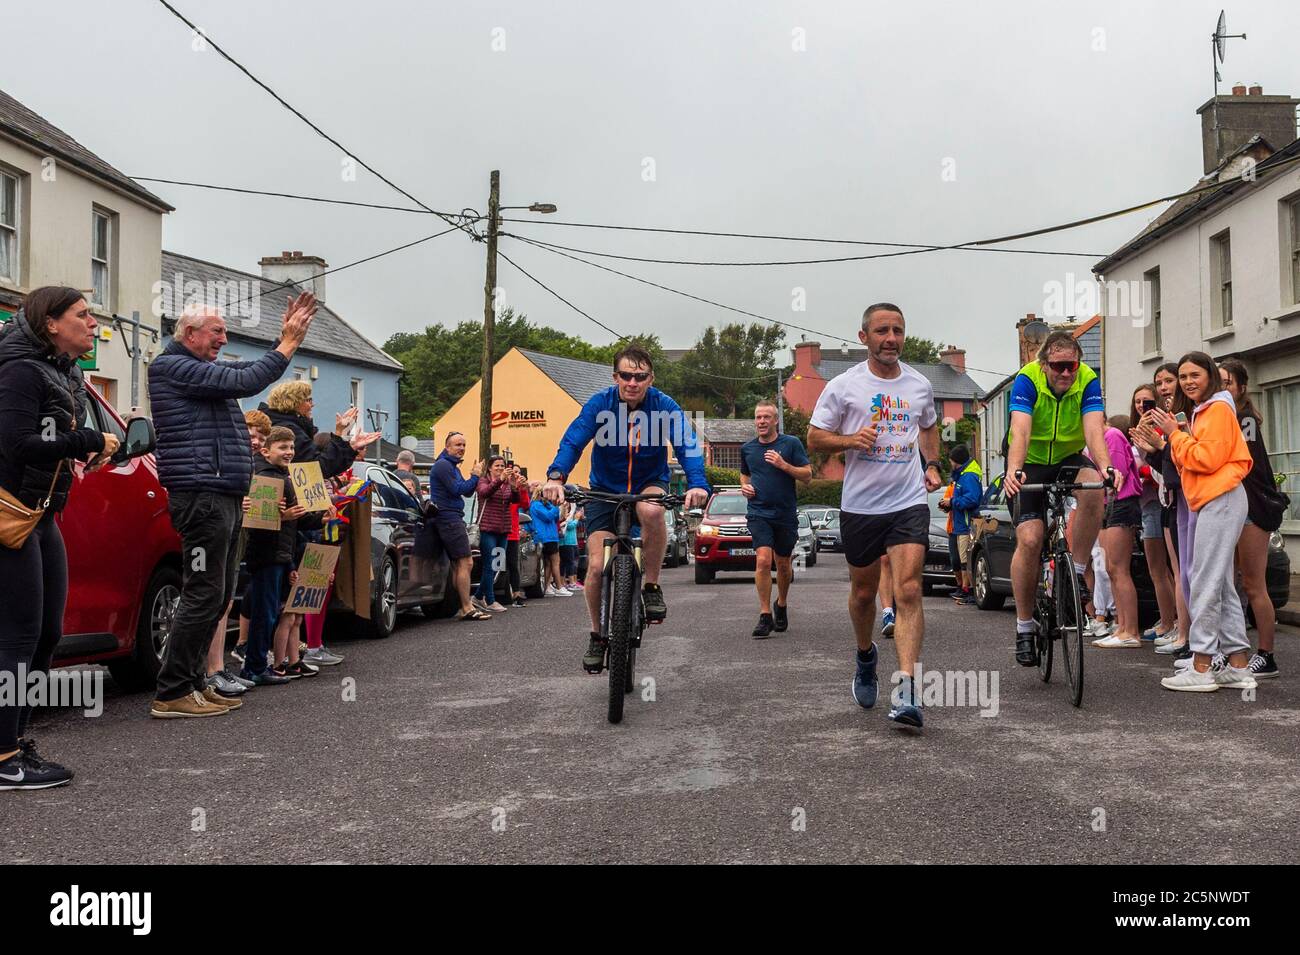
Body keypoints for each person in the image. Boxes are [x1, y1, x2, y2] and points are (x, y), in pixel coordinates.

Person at [147, 294, 316, 718]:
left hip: (217, 494)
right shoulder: (172, 367)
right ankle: (172, 692)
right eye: (217, 331)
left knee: (218, 593)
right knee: (204, 592)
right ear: (190, 333)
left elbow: (244, 373)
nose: (224, 338)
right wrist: (288, 344)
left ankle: (193, 683)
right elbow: (248, 380)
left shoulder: (199, 371)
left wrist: (282, 341)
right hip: (201, 496)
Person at [0, 288, 119, 788]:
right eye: (82, 315)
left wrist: (84, 453)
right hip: (11, 515)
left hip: (43, 514)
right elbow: (17, 444)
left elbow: (50, 443)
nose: (93, 323)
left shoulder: (66, 371)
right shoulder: (20, 371)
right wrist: (88, 440)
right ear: (51, 322)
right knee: (17, 636)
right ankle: (4, 758)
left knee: (49, 634)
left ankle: (16, 740)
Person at [807, 303, 942, 728]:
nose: (891, 338)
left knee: (907, 590)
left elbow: (929, 425)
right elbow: (814, 437)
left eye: (898, 330)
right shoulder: (845, 385)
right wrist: (849, 440)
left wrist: (932, 464)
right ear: (863, 336)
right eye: (882, 330)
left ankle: (906, 690)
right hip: (861, 505)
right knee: (864, 594)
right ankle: (866, 655)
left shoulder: (919, 385)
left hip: (907, 502)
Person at [541, 344, 710, 674]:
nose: (633, 382)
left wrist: (697, 483)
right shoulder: (600, 404)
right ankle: (596, 635)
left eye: (640, 376)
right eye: (626, 376)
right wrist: (556, 475)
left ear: (651, 378)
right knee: (593, 568)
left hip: (648, 482)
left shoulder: (664, 406)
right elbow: (575, 438)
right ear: (615, 376)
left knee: (651, 512)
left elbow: (687, 444)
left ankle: (651, 586)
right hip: (604, 489)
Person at [1002, 329, 1114, 669]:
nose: (1067, 373)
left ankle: (1075, 573)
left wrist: (1107, 466)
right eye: (1059, 366)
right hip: (1031, 461)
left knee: (1094, 485)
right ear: (1045, 364)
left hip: (1066, 457)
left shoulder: (1088, 379)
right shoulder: (1027, 379)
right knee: (1031, 538)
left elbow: (1094, 430)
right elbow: (1020, 429)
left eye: (1072, 366)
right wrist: (1015, 470)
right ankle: (1024, 626)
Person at [1147, 353, 1254, 691]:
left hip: (1219, 496)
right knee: (1218, 582)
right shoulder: (1209, 410)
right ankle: (1236, 664)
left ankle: (1203, 664)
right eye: (1183, 376)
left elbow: (1205, 459)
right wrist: (1174, 437)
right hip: (1217, 496)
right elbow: (1195, 459)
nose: (1187, 381)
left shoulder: (1217, 410)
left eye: (1195, 374)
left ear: (1210, 376)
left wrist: (1174, 436)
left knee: (1205, 580)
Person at [238, 426, 322, 685]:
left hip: (279, 554)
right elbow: (258, 522)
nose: (289, 452)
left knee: (271, 612)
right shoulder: (265, 477)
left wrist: (321, 516)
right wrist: (283, 517)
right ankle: (254, 668)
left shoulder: (283, 476)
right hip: (266, 554)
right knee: (265, 613)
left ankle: (259, 665)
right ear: (266, 451)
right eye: (282, 448)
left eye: (291, 447)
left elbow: (295, 523)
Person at [1220, 359, 1286, 679]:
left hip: (1251, 510)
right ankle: (1232, 652)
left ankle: (1267, 655)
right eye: (1217, 383)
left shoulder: (1243, 418)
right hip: (1231, 508)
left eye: (1228, 383)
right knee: (1228, 583)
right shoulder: (1226, 416)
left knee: (1253, 584)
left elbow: (1236, 465)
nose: (1222, 389)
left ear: (1242, 388)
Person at [1131, 364, 1190, 658]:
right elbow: (1164, 468)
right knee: (1177, 572)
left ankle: (1186, 635)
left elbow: (1182, 461)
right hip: (1169, 500)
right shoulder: (1162, 422)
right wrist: (1153, 449)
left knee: (1182, 572)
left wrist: (1160, 445)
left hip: (1184, 500)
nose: (1165, 387)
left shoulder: (1182, 419)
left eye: (1170, 381)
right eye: (1160, 382)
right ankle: (1181, 631)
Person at [740, 399, 811, 638]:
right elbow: (744, 475)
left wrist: (784, 465)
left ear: (776, 420)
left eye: (766, 417)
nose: (761, 421)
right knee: (762, 560)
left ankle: (781, 604)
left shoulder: (791, 444)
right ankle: (764, 615)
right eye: (758, 417)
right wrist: (745, 488)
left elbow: (808, 475)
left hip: (785, 513)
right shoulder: (748, 448)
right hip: (759, 512)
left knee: (782, 564)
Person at [1126, 385, 1179, 645]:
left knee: (1162, 569)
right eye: (1137, 401)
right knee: (1157, 569)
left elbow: (1161, 466)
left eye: (1146, 401)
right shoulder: (1136, 431)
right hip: (1147, 504)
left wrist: (1142, 473)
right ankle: (1168, 620)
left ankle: (1172, 623)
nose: (1141, 405)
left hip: (1159, 502)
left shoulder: (1160, 428)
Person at [1091, 415, 1143, 648]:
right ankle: (1121, 627)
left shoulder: (1111, 435)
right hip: (1104, 505)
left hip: (1120, 502)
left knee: (1119, 568)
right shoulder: (1094, 441)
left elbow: (1117, 474)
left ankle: (1130, 630)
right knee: (1111, 568)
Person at [261, 380, 380, 480]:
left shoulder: (287, 425)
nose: (312, 405)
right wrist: (339, 435)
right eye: (308, 400)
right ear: (294, 403)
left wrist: (350, 446)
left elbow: (325, 467)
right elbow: (317, 469)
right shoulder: (288, 429)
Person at [429, 433, 490, 621]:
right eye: (457, 445)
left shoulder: (451, 465)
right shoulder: (443, 465)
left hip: (452, 517)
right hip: (448, 518)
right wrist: (475, 475)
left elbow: (466, 489)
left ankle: (464, 605)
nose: (462, 448)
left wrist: (474, 477)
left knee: (460, 564)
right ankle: (466, 606)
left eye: (464, 444)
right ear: (447, 447)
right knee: (466, 562)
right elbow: (458, 490)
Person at [473, 456, 518, 613]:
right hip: (488, 529)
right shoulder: (483, 481)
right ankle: (490, 600)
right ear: (490, 468)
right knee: (489, 563)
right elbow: (485, 492)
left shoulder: (506, 483)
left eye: (502, 465)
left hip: (503, 529)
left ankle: (478, 596)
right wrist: (499, 480)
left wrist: (514, 486)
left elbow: (515, 500)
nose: (500, 468)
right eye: (497, 465)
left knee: (497, 565)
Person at [944, 444, 982, 605]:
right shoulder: (963, 474)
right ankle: (966, 590)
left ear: (957, 461)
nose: (950, 464)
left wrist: (952, 502)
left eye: (952, 461)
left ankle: (970, 591)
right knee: (962, 559)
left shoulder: (969, 476)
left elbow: (973, 499)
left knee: (966, 559)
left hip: (966, 525)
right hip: (960, 523)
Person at [529, 486, 567, 597]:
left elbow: (557, 518)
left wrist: (555, 507)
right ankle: (559, 587)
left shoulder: (546, 505)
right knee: (555, 562)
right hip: (546, 537)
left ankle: (545, 588)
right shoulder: (536, 505)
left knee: (548, 564)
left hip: (551, 536)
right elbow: (548, 516)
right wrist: (555, 507)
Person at [504, 464, 530, 606]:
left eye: (518, 473)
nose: (516, 475)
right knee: (498, 565)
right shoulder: (502, 486)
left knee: (513, 564)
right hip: (500, 530)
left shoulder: (518, 489)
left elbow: (525, 505)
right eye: (513, 472)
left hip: (512, 532)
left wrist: (524, 489)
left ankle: (516, 594)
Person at [560, 504, 583, 590]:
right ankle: (571, 582)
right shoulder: (564, 518)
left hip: (572, 543)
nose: (568, 512)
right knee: (569, 563)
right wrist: (576, 519)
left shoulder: (569, 517)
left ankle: (567, 582)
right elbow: (569, 526)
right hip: (566, 543)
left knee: (569, 563)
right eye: (566, 510)